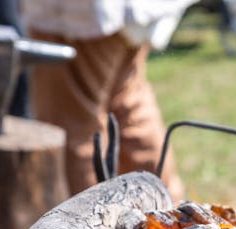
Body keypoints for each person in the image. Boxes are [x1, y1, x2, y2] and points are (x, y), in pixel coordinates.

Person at [21, 1, 190, 199]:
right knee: (129, 110)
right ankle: (167, 216)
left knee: (73, 131)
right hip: (122, 12)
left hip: (81, 18)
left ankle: (84, 224)